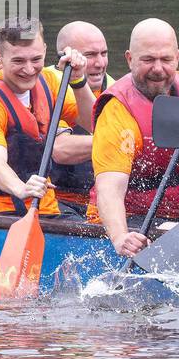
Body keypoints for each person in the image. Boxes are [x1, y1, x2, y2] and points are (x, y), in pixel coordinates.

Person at [91, 18, 179, 257]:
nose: (158, 69)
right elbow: (110, 188)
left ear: (178, 57)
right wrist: (121, 237)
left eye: (166, 59)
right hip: (136, 220)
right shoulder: (118, 110)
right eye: (148, 60)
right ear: (130, 59)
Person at [0, 18, 94, 218]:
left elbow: (93, 123)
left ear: (45, 51)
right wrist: (21, 189)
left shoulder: (49, 83)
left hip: (45, 206)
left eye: (36, 60)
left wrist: (78, 81)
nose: (29, 69)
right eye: (19, 61)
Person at [51, 21, 111, 214]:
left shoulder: (116, 88)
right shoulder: (48, 86)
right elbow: (60, 149)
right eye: (90, 55)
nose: (100, 63)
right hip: (57, 200)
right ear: (67, 56)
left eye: (104, 53)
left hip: (102, 199)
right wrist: (122, 141)